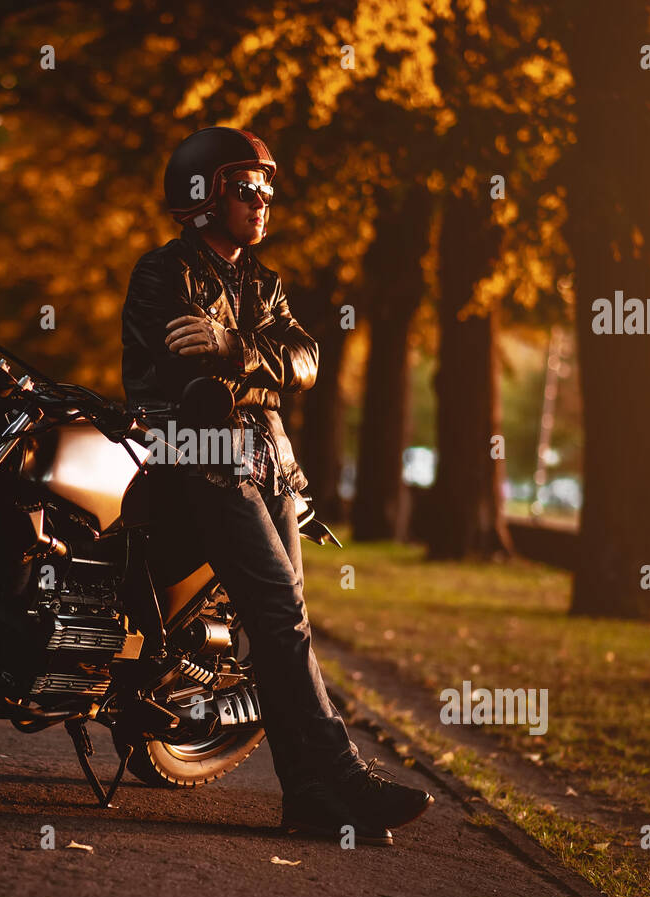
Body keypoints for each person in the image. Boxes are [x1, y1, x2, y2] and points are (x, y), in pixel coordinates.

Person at [120, 126, 433, 845]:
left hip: (269, 464)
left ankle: (312, 799)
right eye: (245, 187)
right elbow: (177, 376)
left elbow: (307, 357)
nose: (262, 201)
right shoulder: (164, 273)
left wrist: (235, 348)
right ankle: (342, 777)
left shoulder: (263, 283)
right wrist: (249, 372)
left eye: (267, 188)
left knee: (283, 624)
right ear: (202, 195)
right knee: (280, 605)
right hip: (197, 457)